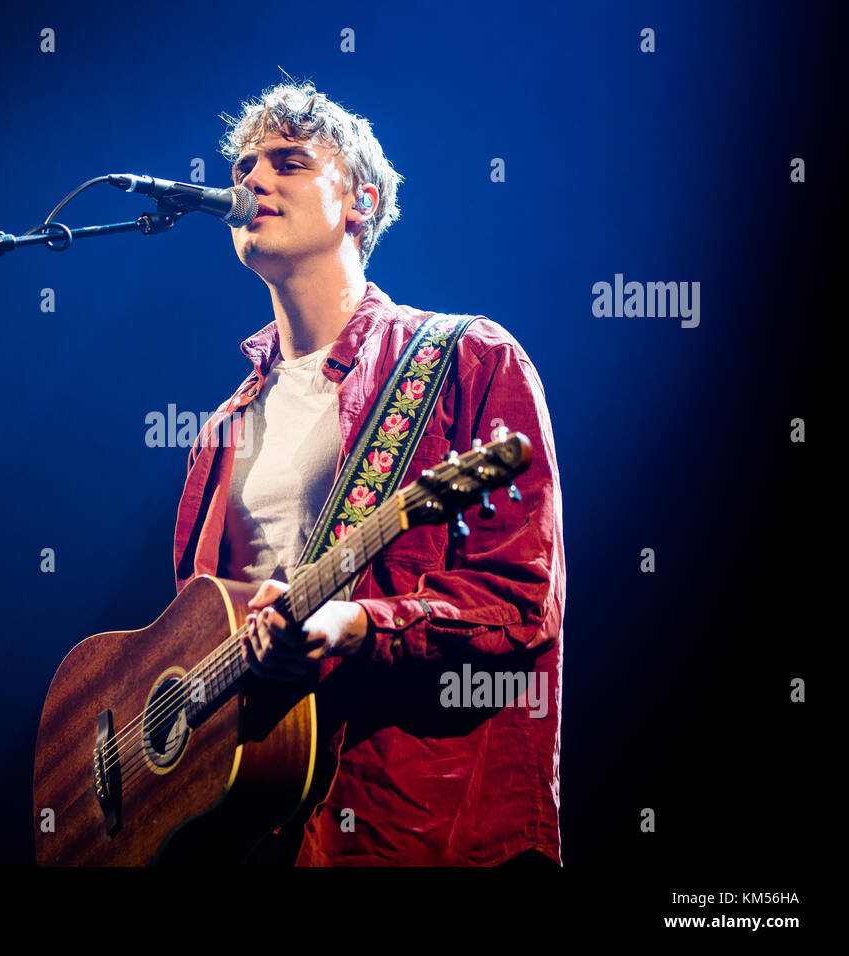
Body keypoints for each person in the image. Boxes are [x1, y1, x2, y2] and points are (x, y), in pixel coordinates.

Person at [172, 81, 566, 866]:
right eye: (245, 164)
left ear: (361, 202)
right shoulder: (221, 427)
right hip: (251, 829)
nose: (252, 180)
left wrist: (352, 626)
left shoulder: (467, 359)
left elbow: (521, 603)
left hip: (410, 822)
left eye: (288, 162)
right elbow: (190, 642)